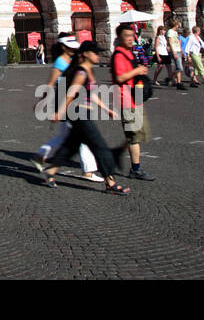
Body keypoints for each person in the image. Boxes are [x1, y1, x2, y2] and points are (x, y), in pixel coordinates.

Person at [38, 41, 130, 195]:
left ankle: (50, 171)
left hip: (83, 112)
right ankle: (110, 182)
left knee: (72, 145)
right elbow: (71, 94)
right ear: (86, 54)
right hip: (78, 113)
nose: (97, 55)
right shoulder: (81, 72)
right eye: (95, 52)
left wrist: (106, 109)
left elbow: (91, 94)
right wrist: (60, 112)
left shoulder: (87, 71)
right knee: (99, 146)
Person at [33, 35, 102, 182]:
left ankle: (41, 155)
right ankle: (88, 171)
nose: (73, 49)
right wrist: (43, 101)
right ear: (63, 47)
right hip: (67, 101)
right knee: (82, 137)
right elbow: (51, 84)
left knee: (66, 136)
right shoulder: (60, 61)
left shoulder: (73, 60)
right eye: (70, 47)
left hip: (75, 102)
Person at [110, 23, 153, 181]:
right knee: (134, 136)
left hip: (135, 98)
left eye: (131, 35)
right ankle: (136, 169)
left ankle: (117, 152)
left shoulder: (129, 53)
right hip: (125, 99)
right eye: (126, 36)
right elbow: (120, 77)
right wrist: (137, 71)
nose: (130, 38)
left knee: (138, 134)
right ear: (119, 38)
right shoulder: (119, 55)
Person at [166, 22, 186, 91]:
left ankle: (179, 83)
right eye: (177, 24)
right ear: (175, 25)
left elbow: (178, 42)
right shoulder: (170, 32)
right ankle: (170, 78)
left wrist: (181, 51)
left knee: (179, 68)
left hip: (178, 50)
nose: (178, 26)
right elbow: (170, 42)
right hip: (174, 51)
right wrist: (173, 51)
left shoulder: (175, 32)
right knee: (179, 67)